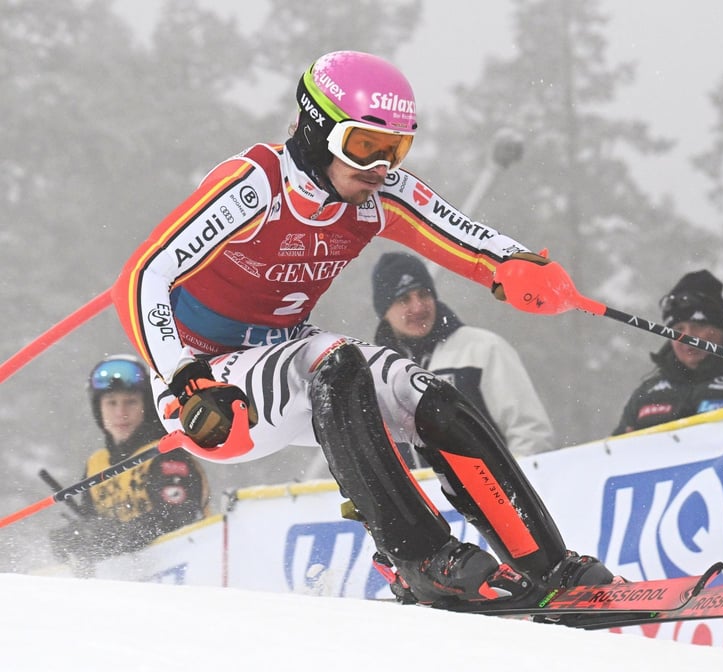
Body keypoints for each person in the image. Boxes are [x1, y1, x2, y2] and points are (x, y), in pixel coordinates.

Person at [111, 51, 613, 606]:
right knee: (337, 365)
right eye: (365, 146)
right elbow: (143, 276)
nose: (379, 166)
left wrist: (517, 265)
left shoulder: (378, 194)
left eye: (395, 150)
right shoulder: (254, 186)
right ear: (317, 129)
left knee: (421, 391)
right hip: (211, 389)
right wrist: (185, 377)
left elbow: (462, 233)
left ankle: (545, 564)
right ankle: (420, 556)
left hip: (284, 348)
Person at [371, 251, 554, 466]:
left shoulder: (483, 349)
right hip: (419, 499)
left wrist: (511, 493)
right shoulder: (372, 375)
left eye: (423, 294)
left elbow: (530, 434)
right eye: (403, 299)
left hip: (491, 497)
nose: (418, 307)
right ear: (384, 311)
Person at [49, 355, 209, 575]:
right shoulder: (96, 464)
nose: (120, 413)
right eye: (111, 402)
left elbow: (178, 519)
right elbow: (91, 522)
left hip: (186, 572)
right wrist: (76, 539)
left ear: (147, 406)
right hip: (127, 584)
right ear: (98, 409)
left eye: (131, 402)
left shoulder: (165, 454)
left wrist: (116, 536)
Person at [612, 270, 723, 435]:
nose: (688, 337)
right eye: (678, 329)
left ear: (721, 329)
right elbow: (612, 455)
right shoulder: (646, 394)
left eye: (698, 326)